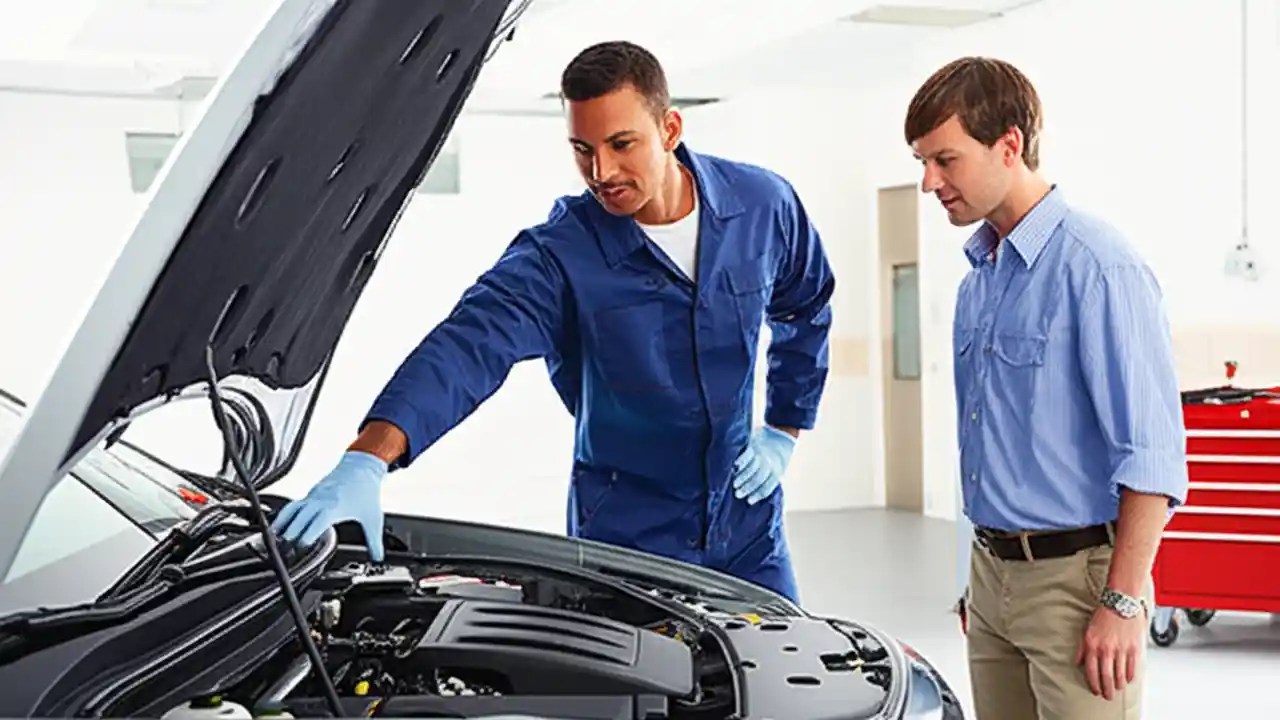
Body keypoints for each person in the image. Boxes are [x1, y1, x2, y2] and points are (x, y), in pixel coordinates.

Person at [271, 40, 835, 603]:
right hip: (627, 539)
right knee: (640, 688)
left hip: (746, 527)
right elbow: (468, 347)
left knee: (783, 670)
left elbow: (806, 305)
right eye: (582, 149)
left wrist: (783, 428)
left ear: (670, 129)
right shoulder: (561, 255)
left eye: (621, 144)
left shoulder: (762, 206)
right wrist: (366, 459)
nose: (601, 171)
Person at [904, 57, 1187, 718]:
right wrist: (980, 582)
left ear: (1009, 145)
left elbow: (1151, 455)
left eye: (945, 160)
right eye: (922, 161)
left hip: (1077, 583)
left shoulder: (1098, 267)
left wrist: (1122, 600)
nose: (928, 182)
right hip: (991, 574)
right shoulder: (981, 278)